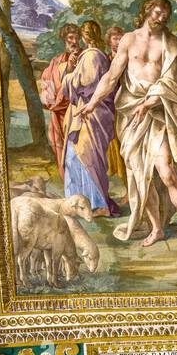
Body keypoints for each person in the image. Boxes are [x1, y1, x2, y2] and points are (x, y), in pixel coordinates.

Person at [73, 0, 177, 248]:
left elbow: (175, 86)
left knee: (166, 172)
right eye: (157, 13)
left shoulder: (172, 44)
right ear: (146, 11)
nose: (161, 18)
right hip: (130, 114)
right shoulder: (128, 40)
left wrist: (149, 103)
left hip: (157, 112)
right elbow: (112, 77)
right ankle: (157, 229)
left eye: (165, 15)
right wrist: (91, 104)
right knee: (140, 177)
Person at [60, 20, 119, 216]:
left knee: (84, 158)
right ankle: (80, 202)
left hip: (90, 115)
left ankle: (98, 204)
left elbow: (85, 83)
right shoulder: (95, 56)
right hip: (91, 114)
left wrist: (68, 76)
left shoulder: (92, 56)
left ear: (85, 37)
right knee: (80, 158)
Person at [39, 23, 81, 174]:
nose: (74, 41)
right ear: (64, 40)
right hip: (59, 113)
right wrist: (50, 101)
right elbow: (47, 84)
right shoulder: (56, 62)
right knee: (62, 150)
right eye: (70, 37)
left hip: (79, 112)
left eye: (76, 37)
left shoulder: (85, 57)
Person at [104, 24, 127, 186]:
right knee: (113, 146)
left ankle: (128, 189)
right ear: (109, 41)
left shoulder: (128, 59)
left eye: (120, 38)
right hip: (109, 107)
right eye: (115, 38)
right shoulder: (105, 59)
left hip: (125, 107)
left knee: (125, 147)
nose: (118, 41)